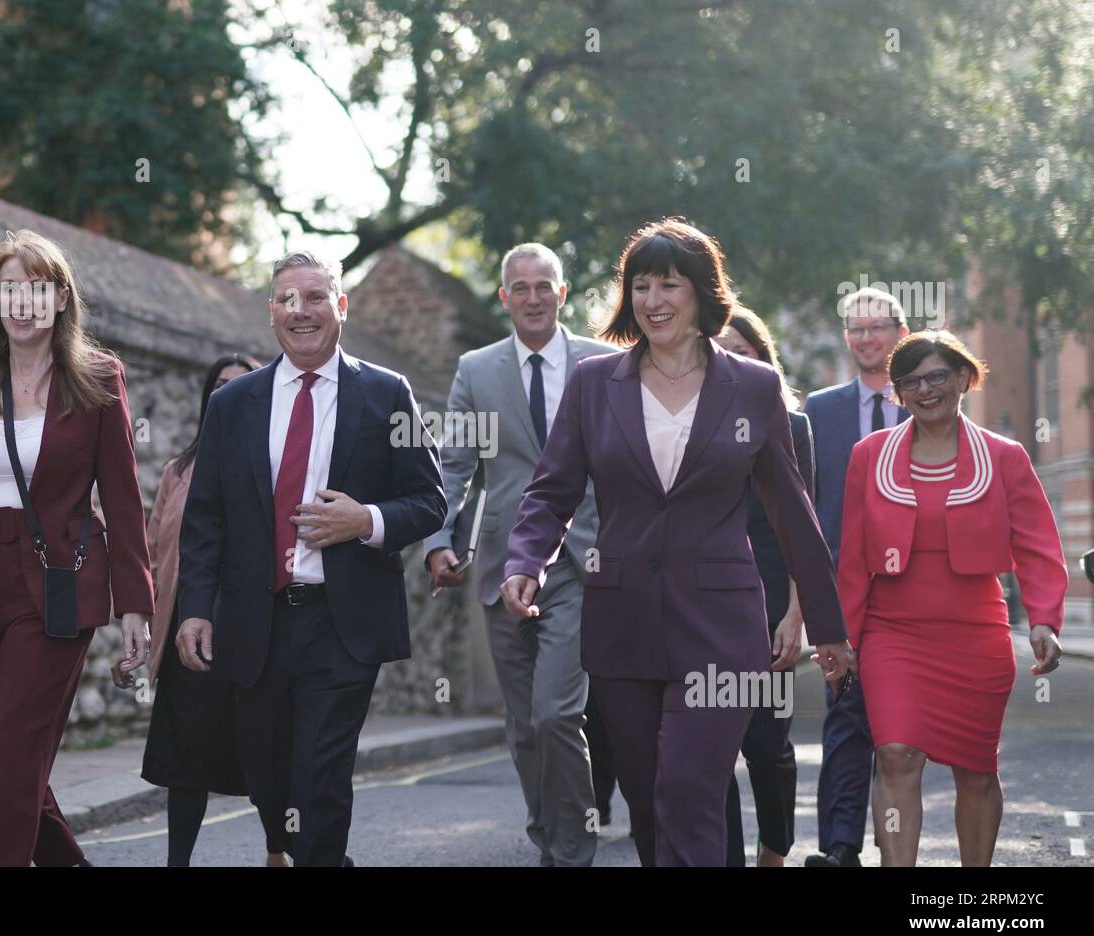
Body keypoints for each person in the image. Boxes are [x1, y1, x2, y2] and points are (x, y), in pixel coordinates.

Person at [501, 219, 850, 866]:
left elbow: (791, 508)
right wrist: (527, 562)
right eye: (641, 285)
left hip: (719, 625)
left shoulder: (752, 385)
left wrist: (825, 624)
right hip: (621, 623)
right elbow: (552, 490)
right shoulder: (593, 384)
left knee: (690, 788)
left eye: (670, 283)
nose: (653, 299)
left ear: (703, 294)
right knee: (648, 800)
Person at [175, 250, 446, 867]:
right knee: (270, 779)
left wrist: (366, 520)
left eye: (316, 297)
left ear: (341, 307)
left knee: (320, 776)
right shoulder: (233, 404)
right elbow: (205, 521)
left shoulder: (385, 394)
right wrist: (196, 609)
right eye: (288, 300)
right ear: (271, 312)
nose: (302, 311)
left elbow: (430, 501)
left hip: (340, 623)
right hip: (255, 621)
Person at [0, 228, 153, 866]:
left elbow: (123, 500)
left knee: (11, 752)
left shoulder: (97, 379)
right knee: (4, 763)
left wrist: (136, 606)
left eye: (36, 289)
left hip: (57, 584)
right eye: (9, 289)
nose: (22, 303)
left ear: (60, 299)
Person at [838, 330, 1065, 866]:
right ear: (897, 393)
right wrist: (843, 637)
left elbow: (1038, 547)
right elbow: (850, 558)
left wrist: (1044, 621)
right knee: (894, 755)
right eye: (909, 381)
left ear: (964, 378)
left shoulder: (1005, 457)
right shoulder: (868, 456)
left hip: (975, 634)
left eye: (938, 375)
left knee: (976, 771)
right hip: (892, 632)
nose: (925, 389)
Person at [425, 243, 618, 866]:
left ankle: (572, 846)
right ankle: (547, 832)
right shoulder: (477, 371)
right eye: (520, 287)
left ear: (562, 294)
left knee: (557, 711)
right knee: (524, 724)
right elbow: (452, 468)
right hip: (505, 569)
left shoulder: (605, 364)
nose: (533, 297)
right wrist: (438, 542)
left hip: (584, 564)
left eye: (545, 286)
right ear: (504, 297)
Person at [113, 355, 271, 867]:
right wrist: (138, 627)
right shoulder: (178, 472)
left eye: (240, 384)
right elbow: (155, 556)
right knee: (187, 760)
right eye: (218, 386)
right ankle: (176, 862)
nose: (228, 393)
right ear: (209, 399)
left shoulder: (276, 458)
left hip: (254, 628)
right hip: (190, 626)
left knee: (264, 753)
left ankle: (279, 850)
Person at [802, 286, 909, 868]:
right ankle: (840, 849)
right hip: (843, 592)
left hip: (913, 586)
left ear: (900, 333)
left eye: (878, 327)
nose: (867, 339)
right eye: (857, 329)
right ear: (848, 339)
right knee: (844, 712)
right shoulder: (820, 410)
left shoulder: (926, 399)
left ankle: (900, 849)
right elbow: (808, 504)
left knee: (899, 727)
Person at [716, 305, 814, 867]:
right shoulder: (686, 424)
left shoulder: (793, 427)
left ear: (764, 363)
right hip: (705, 601)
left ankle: (773, 853)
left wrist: (797, 614)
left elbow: (803, 529)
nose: (731, 362)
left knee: (768, 746)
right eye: (721, 352)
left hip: (773, 599)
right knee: (711, 746)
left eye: (743, 352)